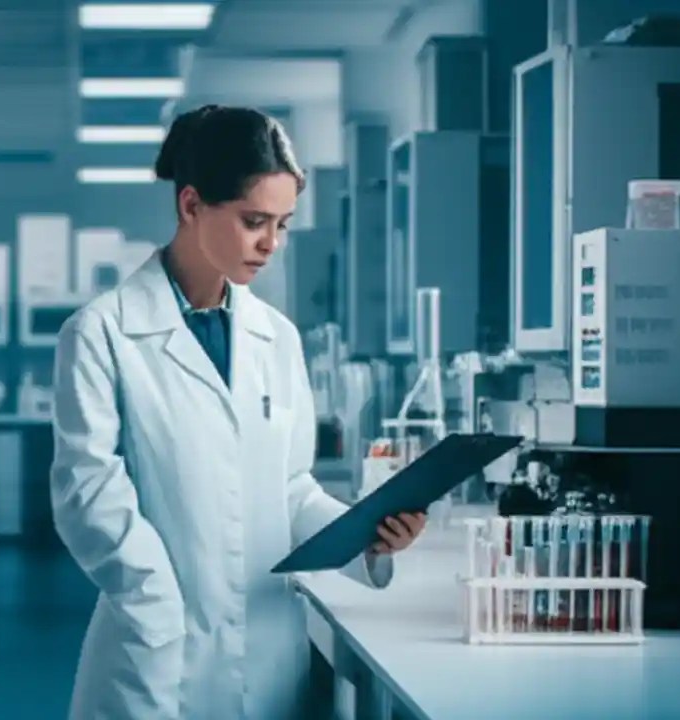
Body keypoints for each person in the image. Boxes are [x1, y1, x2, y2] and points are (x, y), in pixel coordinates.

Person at [50, 105, 427, 720]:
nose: (271, 244)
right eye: (254, 221)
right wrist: (159, 606)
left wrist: (371, 538)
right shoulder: (102, 333)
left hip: (269, 653)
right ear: (192, 205)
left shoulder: (276, 338)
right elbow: (85, 493)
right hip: (157, 657)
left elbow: (290, 491)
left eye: (282, 224)